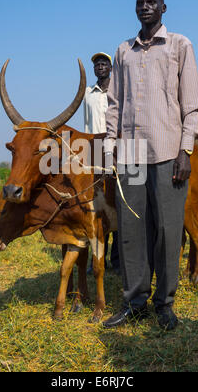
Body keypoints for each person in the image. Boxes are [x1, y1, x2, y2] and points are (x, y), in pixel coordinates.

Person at [103, 0, 198, 330]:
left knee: (166, 228)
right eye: (139, 2)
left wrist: (185, 150)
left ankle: (165, 304)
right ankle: (134, 301)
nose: (145, 7)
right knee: (131, 230)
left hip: (167, 151)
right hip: (129, 152)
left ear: (163, 7)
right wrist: (109, 146)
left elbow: (192, 105)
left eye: (151, 2)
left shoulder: (179, 45)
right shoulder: (123, 51)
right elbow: (115, 104)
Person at [83, 52, 120, 275]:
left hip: (116, 148)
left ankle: (117, 260)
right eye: (97, 64)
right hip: (94, 149)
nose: (100, 67)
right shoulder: (88, 94)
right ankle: (97, 260)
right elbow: (87, 123)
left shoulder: (119, 91)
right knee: (96, 204)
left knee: (117, 201)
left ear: (111, 68)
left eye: (104, 63)